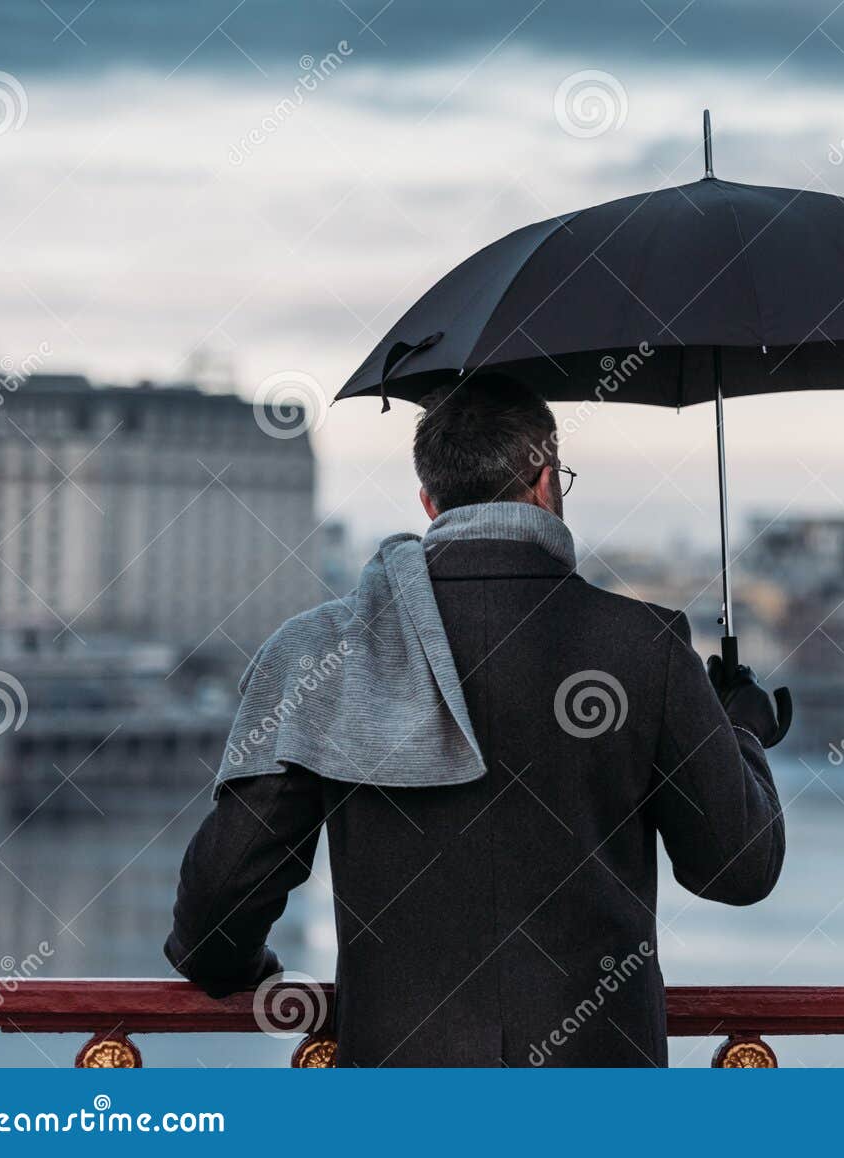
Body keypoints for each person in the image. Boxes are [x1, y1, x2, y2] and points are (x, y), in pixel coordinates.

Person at [164, 374, 787, 1066]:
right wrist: (741, 731)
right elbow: (737, 870)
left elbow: (217, 911)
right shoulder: (644, 646)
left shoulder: (324, 650)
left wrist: (247, 972)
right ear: (546, 481)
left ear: (430, 502)